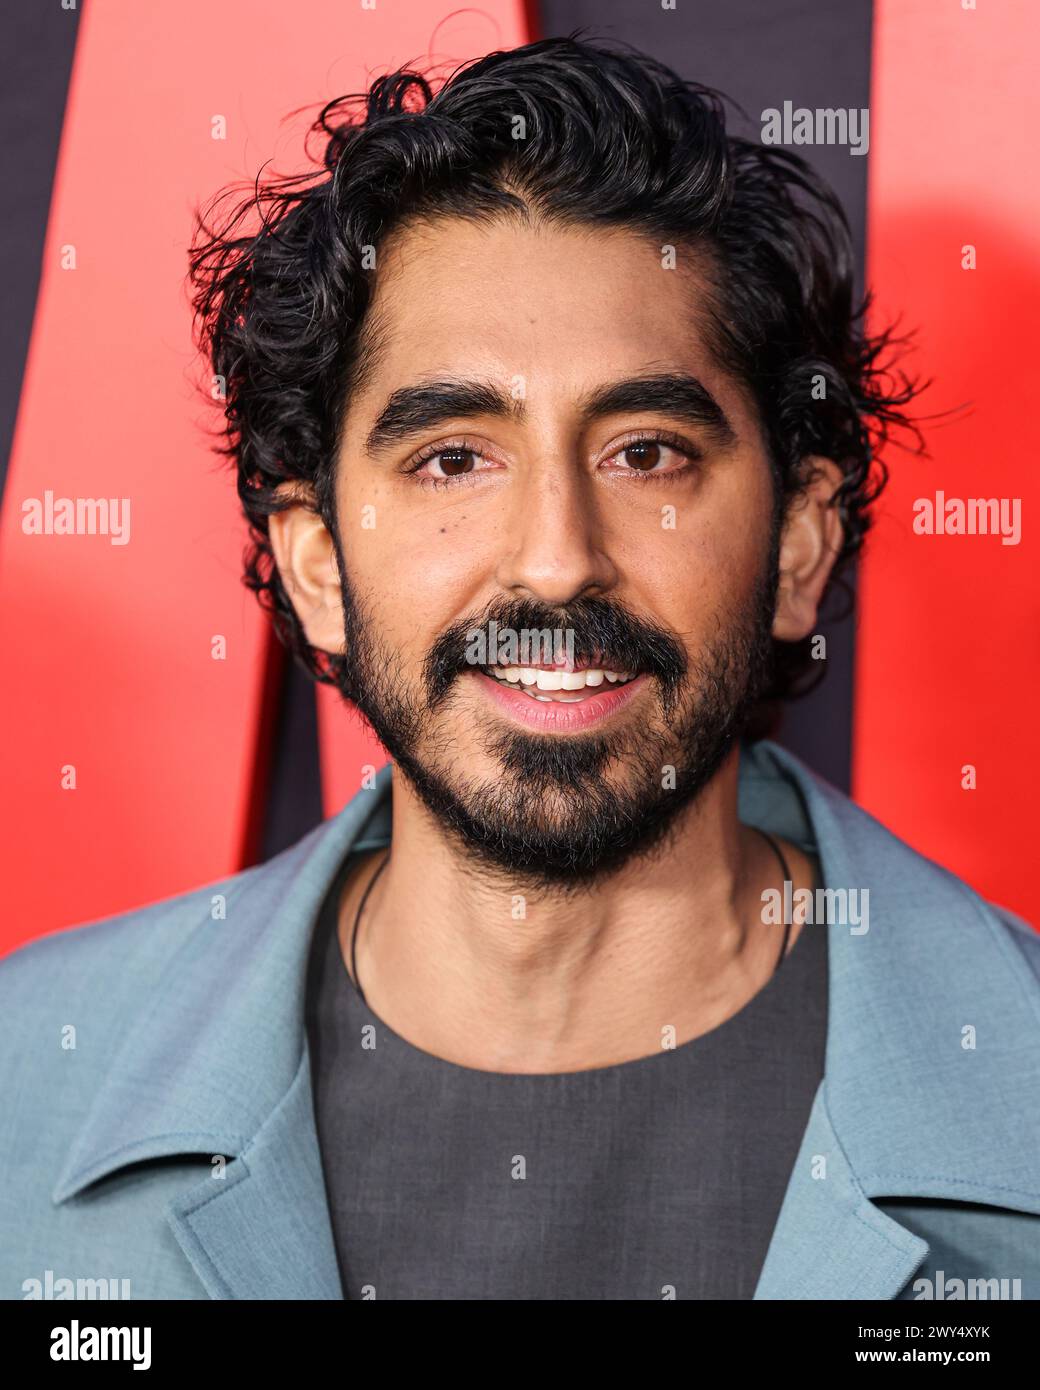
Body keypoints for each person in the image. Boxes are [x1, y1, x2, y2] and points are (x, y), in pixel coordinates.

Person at [3, 36, 1039, 1303]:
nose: (555, 562)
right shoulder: (22, 1083)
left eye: (645, 453)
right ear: (317, 563)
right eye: (452, 459)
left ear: (795, 545)